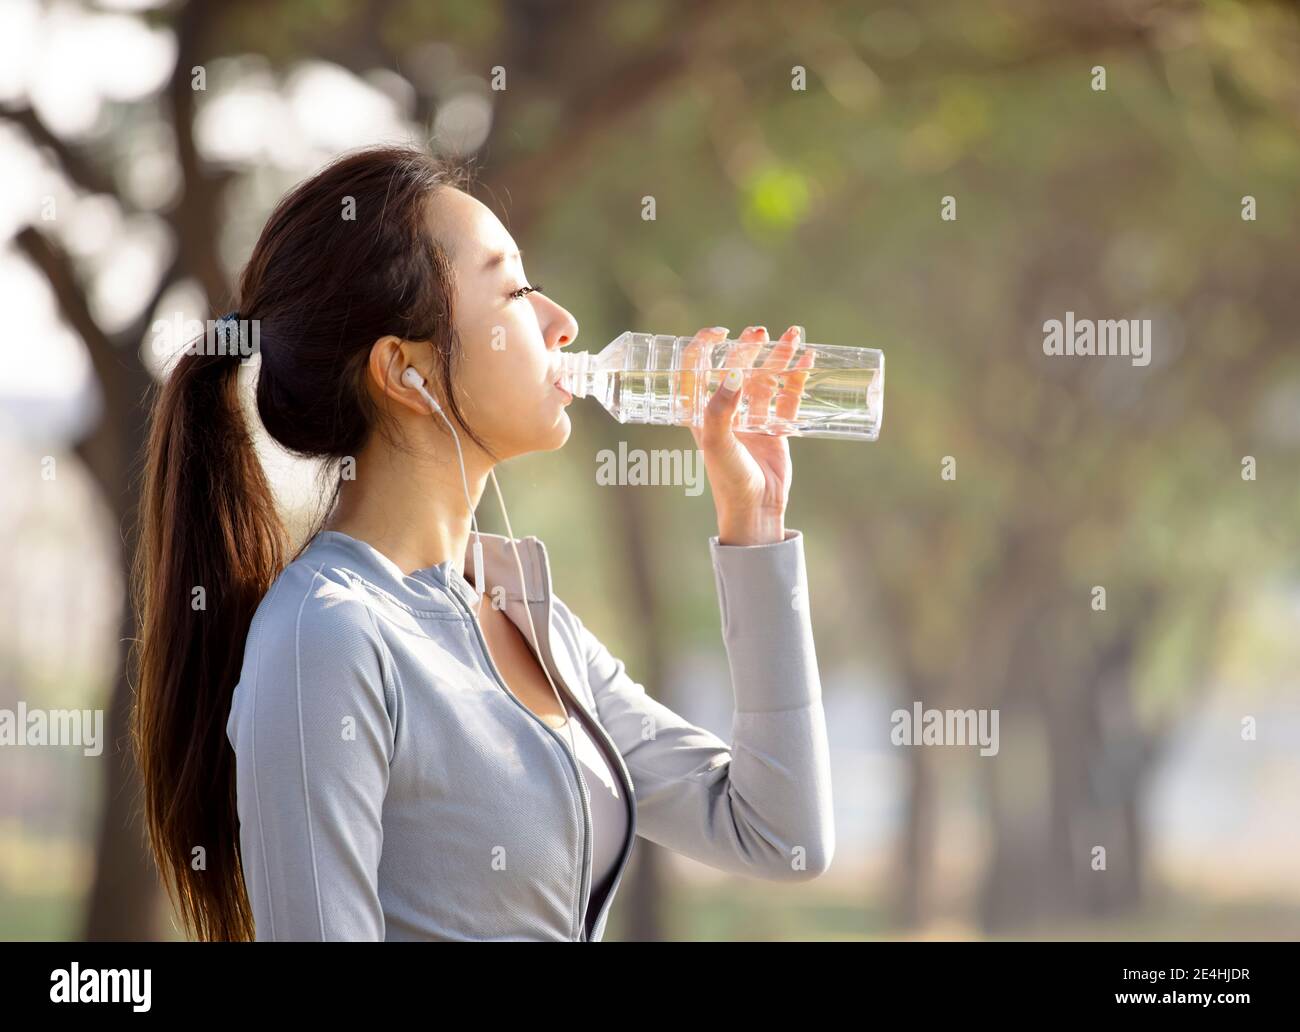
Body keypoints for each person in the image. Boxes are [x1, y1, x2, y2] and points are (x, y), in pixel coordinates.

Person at [132, 144, 834, 941]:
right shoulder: (325, 636)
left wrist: (755, 526)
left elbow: (779, 834)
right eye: (513, 290)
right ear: (404, 370)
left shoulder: (529, 621)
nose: (562, 323)